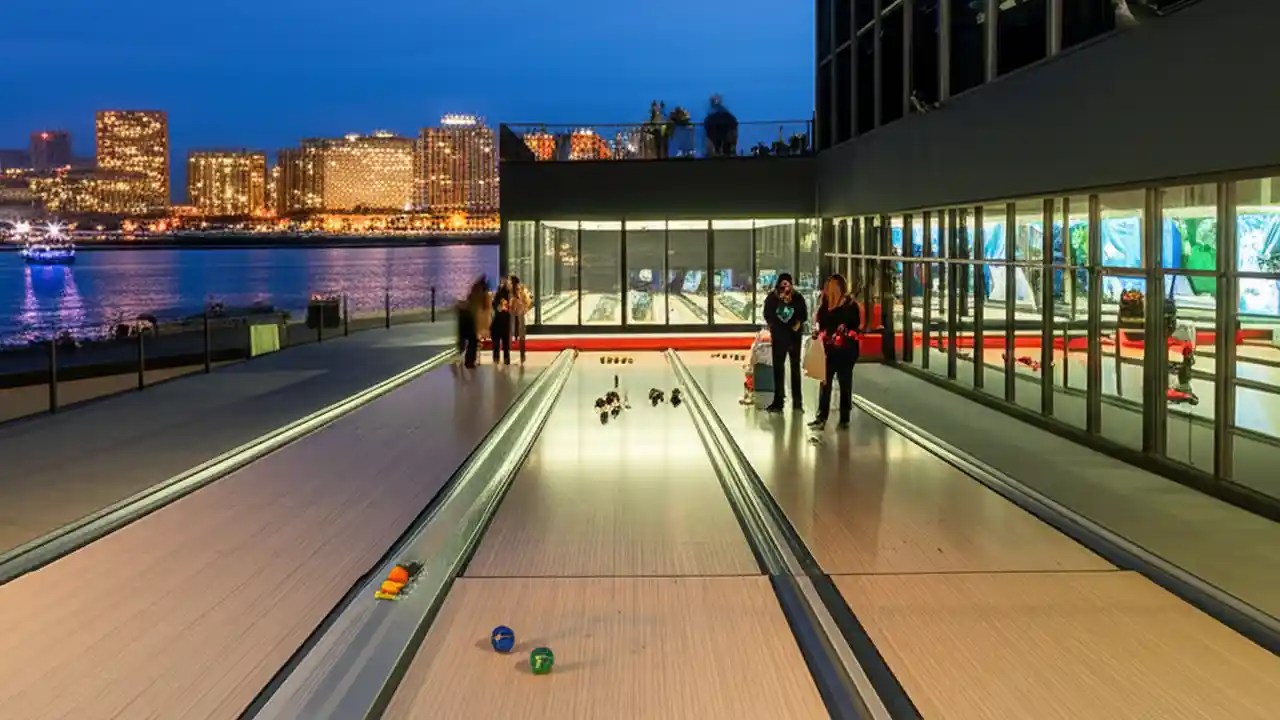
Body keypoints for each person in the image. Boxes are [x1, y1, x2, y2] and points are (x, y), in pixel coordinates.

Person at [809, 274, 862, 431]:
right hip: (828, 350)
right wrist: (818, 333)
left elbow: (856, 326)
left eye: (833, 286)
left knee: (845, 382)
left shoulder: (850, 305)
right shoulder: (824, 305)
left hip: (846, 350)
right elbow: (820, 323)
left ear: (840, 287)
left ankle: (844, 418)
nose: (830, 289)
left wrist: (846, 331)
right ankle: (821, 417)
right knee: (825, 382)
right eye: (828, 286)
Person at [762, 273, 808, 413]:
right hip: (779, 337)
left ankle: (797, 402)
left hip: (794, 337)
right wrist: (772, 324)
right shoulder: (772, 297)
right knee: (778, 368)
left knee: (795, 368)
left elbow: (804, 313)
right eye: (782, 285)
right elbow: (767, 313)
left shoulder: (798, 297)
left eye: (787, 284)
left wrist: (798, 322)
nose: (785, 288)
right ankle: (778, 400)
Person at [458, 276, 491, 369]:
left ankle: (466, 359)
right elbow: (485, 309)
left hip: (467, 318)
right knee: (473, 341)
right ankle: (470, 361)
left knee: (469, 341)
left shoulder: (473, 293)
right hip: (472, 319)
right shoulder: (483, 295)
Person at [509, 275, 532, 364]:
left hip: (517, 314)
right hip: (517, 314)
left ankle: (520, 356)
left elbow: (526, 302)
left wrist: (521, 306)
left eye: (510, 281)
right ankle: (521, 356)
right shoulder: (516, 291)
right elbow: (527, 302)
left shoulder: (519, 291)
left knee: (519, 334)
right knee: (519, 334)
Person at [490, 277, 513, 365]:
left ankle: (496, 359)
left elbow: (495, 306)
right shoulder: (508, 296)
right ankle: (506, 360)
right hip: (504, 323)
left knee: (496, 343)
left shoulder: (498, 295)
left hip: (497, 323)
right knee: (505, 344)